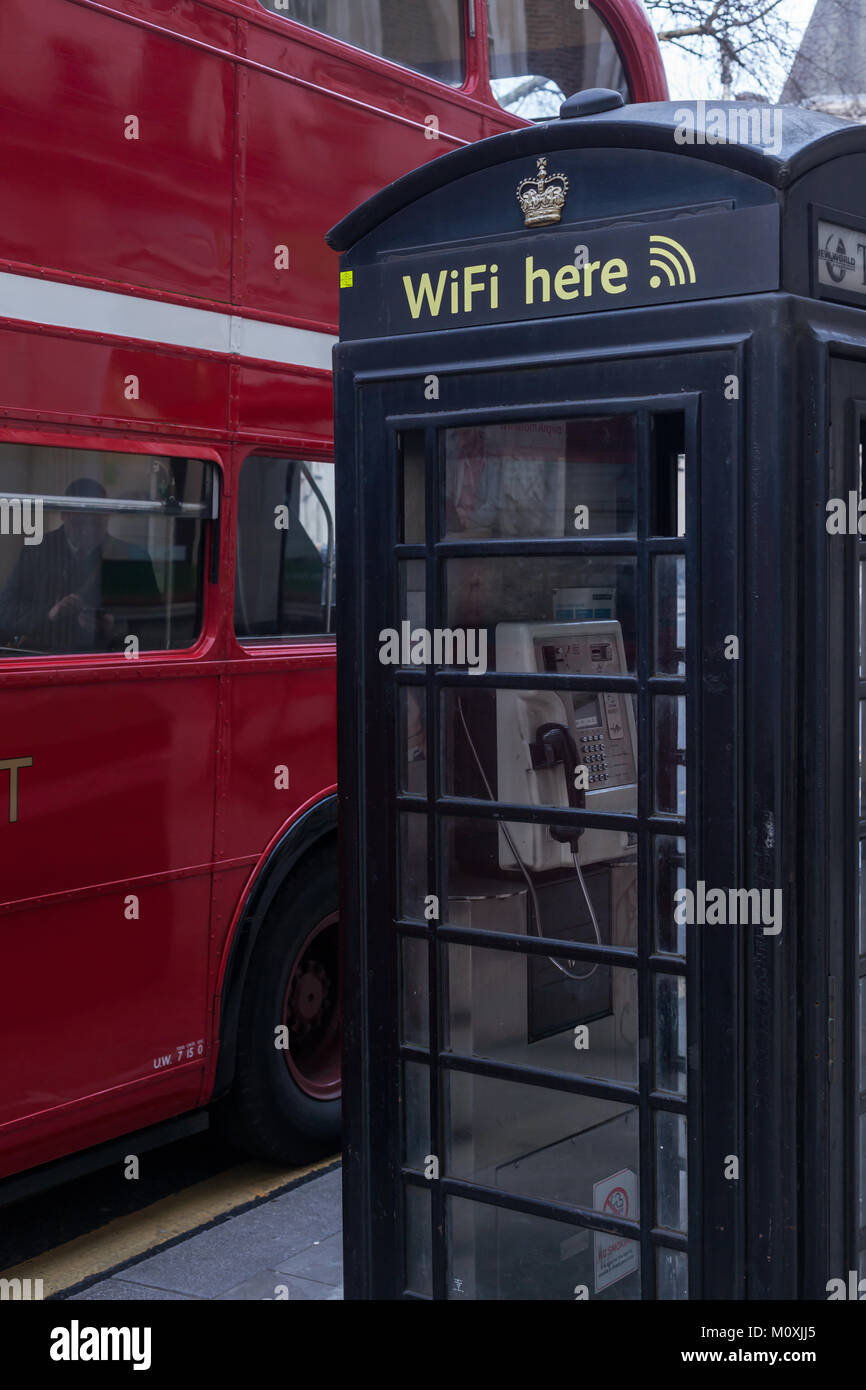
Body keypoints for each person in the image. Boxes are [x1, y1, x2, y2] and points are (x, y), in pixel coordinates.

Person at [0, 477, 161, 653]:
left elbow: (155, 625)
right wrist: (48, 613)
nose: (86, 531)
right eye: (78, 524)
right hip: (45, 656)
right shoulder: (36, 551)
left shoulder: (134, 559)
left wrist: (115, 626)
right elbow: (5, 610)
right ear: (63, 515)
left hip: (105, 660)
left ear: (107, 517)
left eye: (94, 523)